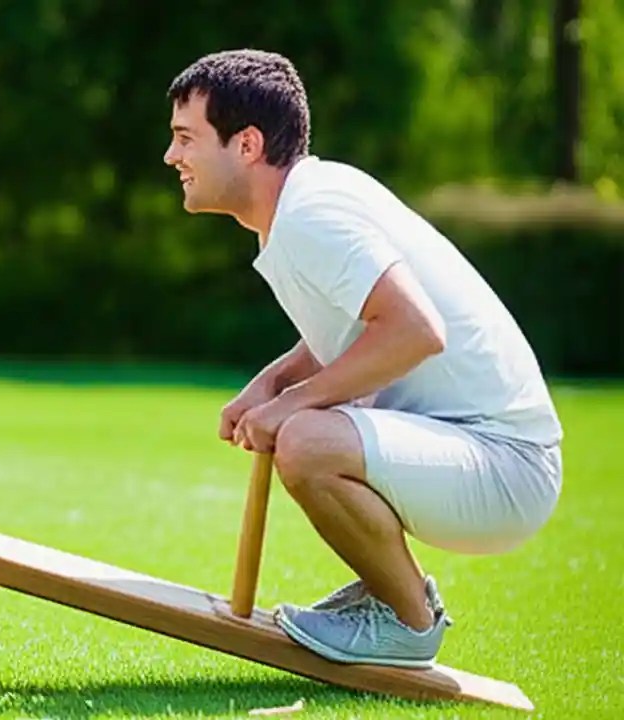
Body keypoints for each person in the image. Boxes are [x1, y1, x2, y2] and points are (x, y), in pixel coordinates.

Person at [162, 49, 563, 668]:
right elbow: (357, 325)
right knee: (303, 427)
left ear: (245, 144)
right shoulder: (300, 206)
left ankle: (408, 621)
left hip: (506, 465)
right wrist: (270, 384)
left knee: (307, 440)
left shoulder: (311, 215)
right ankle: (389, 594)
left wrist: (290, 406)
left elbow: (414, 331)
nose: (172, 157)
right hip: (474, 452)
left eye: (186, 138)